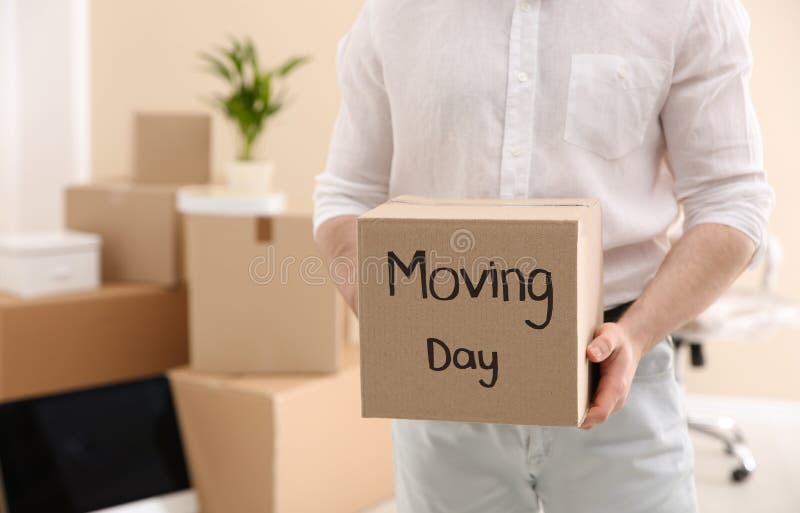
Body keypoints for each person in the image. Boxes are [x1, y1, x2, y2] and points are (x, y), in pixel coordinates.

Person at [313, 0, 774, 511]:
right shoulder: (394, 12)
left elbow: (732, 200)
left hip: (618, 375)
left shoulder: (687, 8)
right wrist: (388, 315)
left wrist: (637, 333)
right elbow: (347, 194)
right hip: (442, 378)